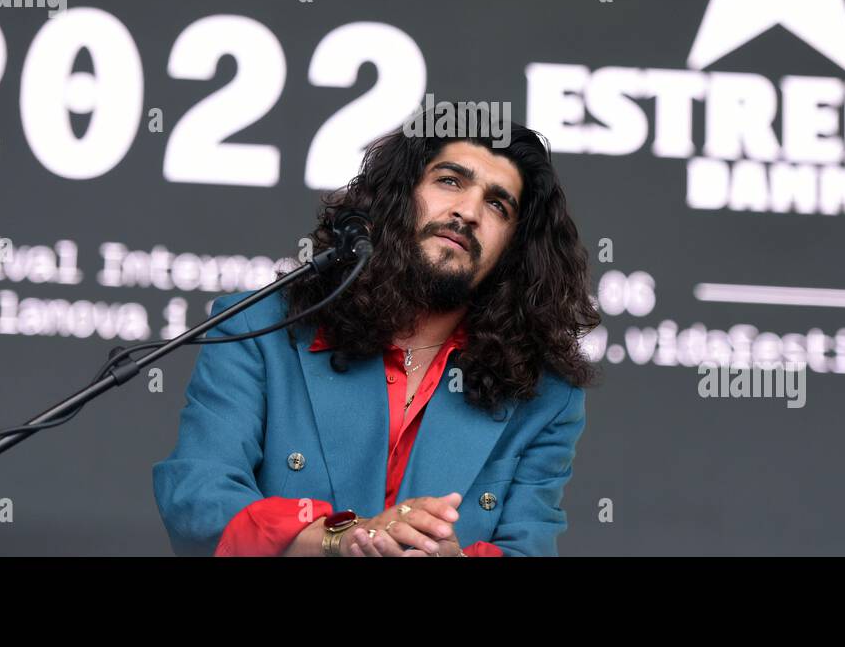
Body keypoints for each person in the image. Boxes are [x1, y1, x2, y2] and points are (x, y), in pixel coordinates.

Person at [152, 112, 599, 556]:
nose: (468, 211)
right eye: (449, 181)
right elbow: (197, 500)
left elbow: (529, 547)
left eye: (498, 205)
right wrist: (341, 539)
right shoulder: (260, 329)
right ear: (397, 197)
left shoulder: (545, 397)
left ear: (514, 250)